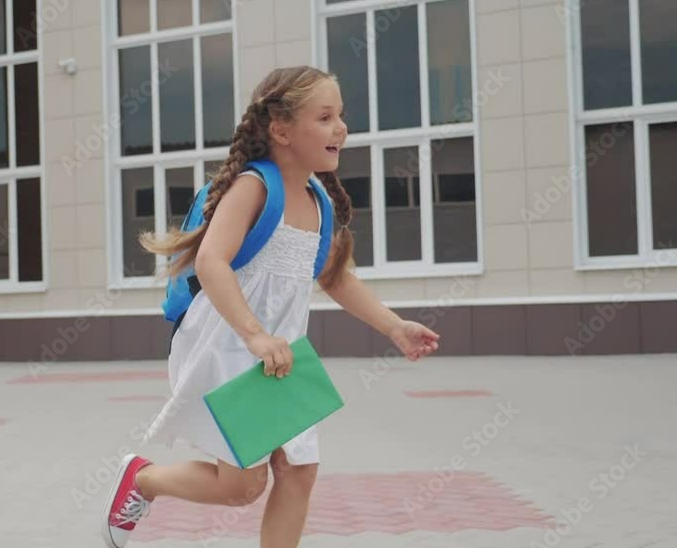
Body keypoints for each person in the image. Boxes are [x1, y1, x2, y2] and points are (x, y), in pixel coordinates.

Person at [101, 65, 441, 548]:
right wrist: (254, 334)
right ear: (281, 130)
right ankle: (142, 479)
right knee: (242, 487)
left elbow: (334, 277)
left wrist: (393, 326)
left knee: (299, 471)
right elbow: (212, 261)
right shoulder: (254, 187)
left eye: (340, 116)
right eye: (324, 117)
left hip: (282, 354)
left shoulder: (318, 202)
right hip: (227, 345)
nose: (340, 128)